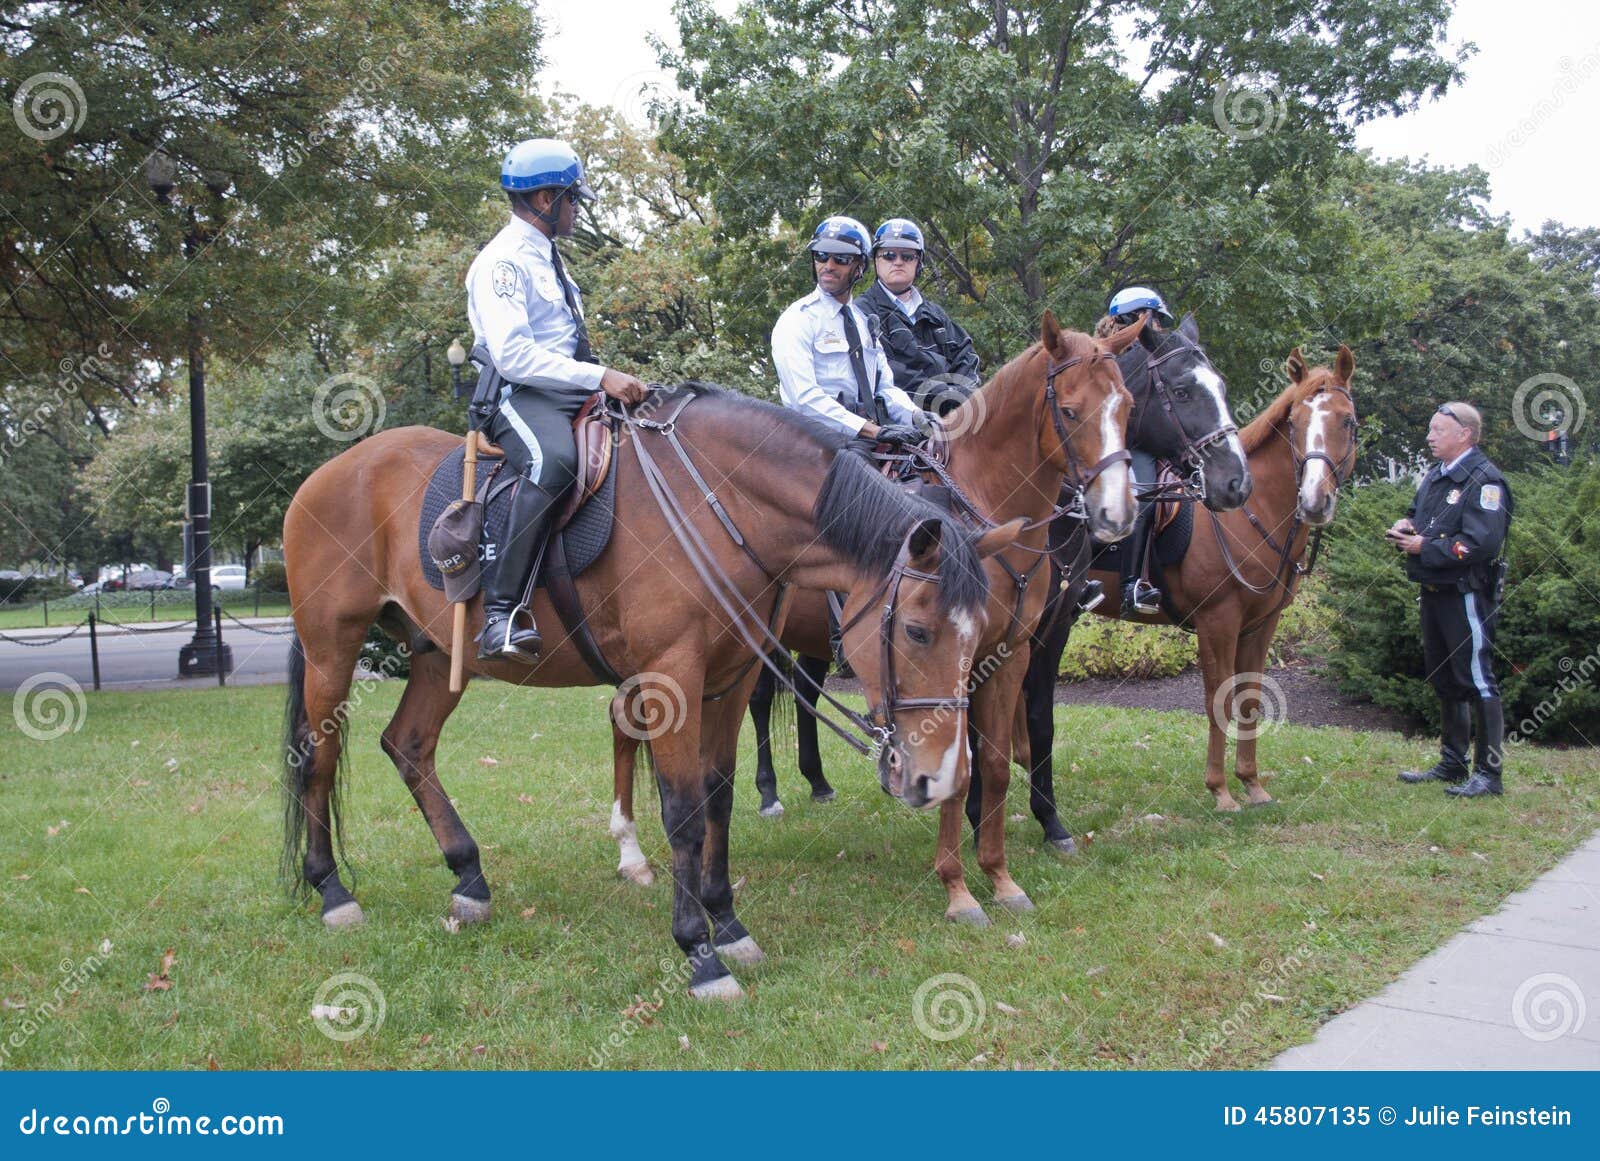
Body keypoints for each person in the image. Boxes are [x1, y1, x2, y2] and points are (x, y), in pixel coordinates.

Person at [466, 138, 646, 663]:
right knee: (554, 461)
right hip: (522, 395)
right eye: (573, 199)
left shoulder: (552, 262)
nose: (577, 209)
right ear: (545, 199)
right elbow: (516, 356)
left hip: (573, 391)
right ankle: (500, 615)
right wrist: (600, 375)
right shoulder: (502, 263)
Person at [1390, 402, 1512, 798]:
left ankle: (1489, 776)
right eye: (1430, 430)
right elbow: (1419, 515)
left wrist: (1424, 545)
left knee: (1477, 679)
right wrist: (1405, 526)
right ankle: (1453, 762)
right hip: (1434, 591)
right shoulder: (1437, 475)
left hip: (1467, 594)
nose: (1429, 437)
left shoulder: (1485, 481)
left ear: (1464, 434)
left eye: (1437, 430)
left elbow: (1479, 543)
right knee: (1446, 680)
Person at [771, 215, 929, 444]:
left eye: (841, 259)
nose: (828, 266)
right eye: (821, 256)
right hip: (815, 444)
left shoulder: (865, 323)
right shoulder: (797, 319)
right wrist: (871, 431)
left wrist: (917, 416)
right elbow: (803, 399)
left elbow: (884, 388)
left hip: (866, 440)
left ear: (860, 267)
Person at [853, 218, 980, 416]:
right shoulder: (861, 312)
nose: (898, 262)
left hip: (953, 414)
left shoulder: (935, 313)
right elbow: (888, 371)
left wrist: (964, 393)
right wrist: (943, 395)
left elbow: (966, 356)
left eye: (907, 256)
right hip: (893, 421)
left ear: (918, 262)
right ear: (875, 260)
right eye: (888, 255)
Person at [1098, 286, 1175, 614]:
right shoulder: (1117, 360)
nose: (1159, 329)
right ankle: (1132, 585)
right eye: (1155, 321)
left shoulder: (1159, 358)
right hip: (1127, 448)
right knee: (1143, 495)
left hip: (1162, 446)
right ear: (1134, 319)